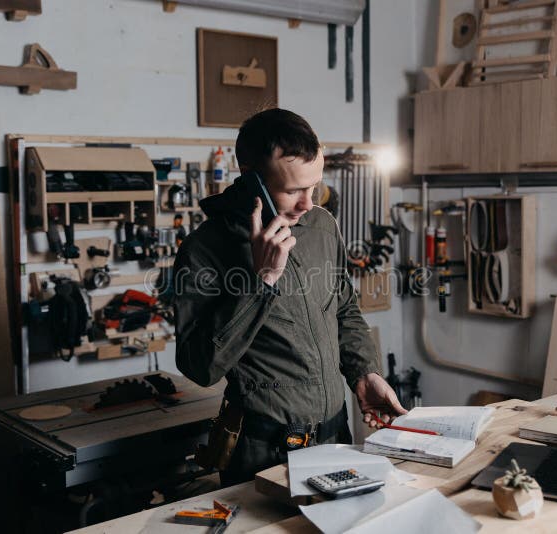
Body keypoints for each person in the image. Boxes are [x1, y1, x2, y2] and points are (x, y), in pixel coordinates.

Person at [173, 108, 406, 487]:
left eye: (313, 186)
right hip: (263, 454)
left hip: (336, 439)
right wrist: (261, 280)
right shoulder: (204, 250)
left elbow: (343, 309)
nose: (307, 203)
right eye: (293, 190)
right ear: (251, 181)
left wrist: (364, 373)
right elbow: (200, 366)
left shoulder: (321, 225)